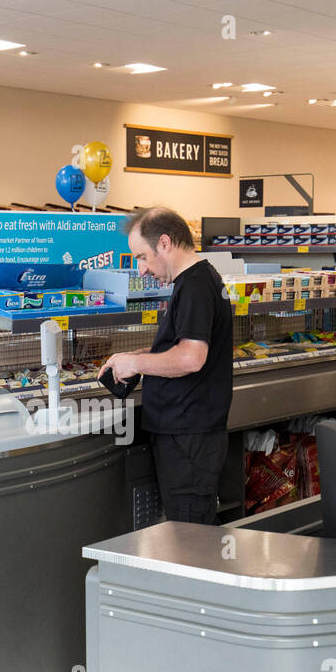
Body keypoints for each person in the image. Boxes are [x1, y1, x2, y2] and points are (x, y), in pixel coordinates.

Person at [98, 207, 232, 524]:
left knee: (190, 539)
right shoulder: (192, 282)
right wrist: (134, 359)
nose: (141, 269)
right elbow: (181, 345)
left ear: (165, 243)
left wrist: (138, 362)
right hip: (185, 437)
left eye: (142, 257)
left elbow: (191, 357)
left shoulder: (196, 285)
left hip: (189, 442)